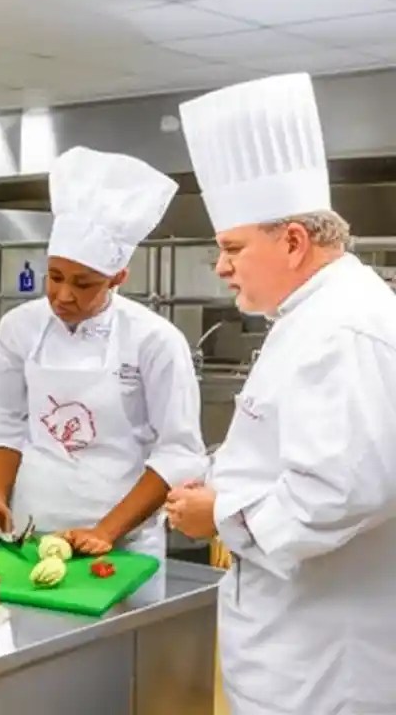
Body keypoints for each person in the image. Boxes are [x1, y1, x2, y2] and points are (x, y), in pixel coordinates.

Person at [165, 72, 396, 715]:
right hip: (290, 650)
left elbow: (341, 493)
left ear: (293, 242)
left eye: (233, 247)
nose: (221, 265)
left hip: (323, 668)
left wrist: (221, 513)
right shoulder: (309, 318)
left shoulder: (343, 327)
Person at [0, 146, 206, 600]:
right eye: (55, 277)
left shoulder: (154, 339)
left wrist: (106, 531)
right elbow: (8, 422)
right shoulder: (19, 327)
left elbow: (179, 451)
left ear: (118, 277)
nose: (63, 295)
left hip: (122, 544)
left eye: (84, 283)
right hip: (31, 534)